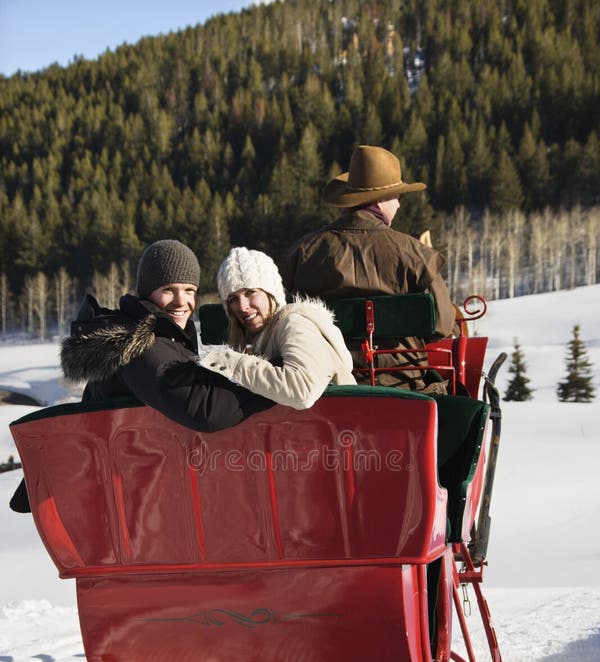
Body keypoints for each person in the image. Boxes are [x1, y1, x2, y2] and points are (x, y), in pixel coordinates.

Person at [9, 240, 273, 513]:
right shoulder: (138, 345)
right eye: (169, 290)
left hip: (134, 493)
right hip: (112, 502)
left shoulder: (166, 339)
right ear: (147, 294)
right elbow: (203, 408)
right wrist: (277, 383)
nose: (182, 301)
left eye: (189, 290)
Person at [278, 144, 457, 392]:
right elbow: (441, 325)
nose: (399, 205)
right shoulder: (415, 254)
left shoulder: (302, 252)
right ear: (381, 200)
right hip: (402, 384)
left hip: (324, 382)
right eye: (397, 197)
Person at [197, 247, 355, 409]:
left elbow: (302, 391)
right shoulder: (257, 337)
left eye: (250, 292)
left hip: (343, 425)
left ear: (270, 293)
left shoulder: (294, 324)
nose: (242, 306)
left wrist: (233, 364)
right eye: (232, 299)